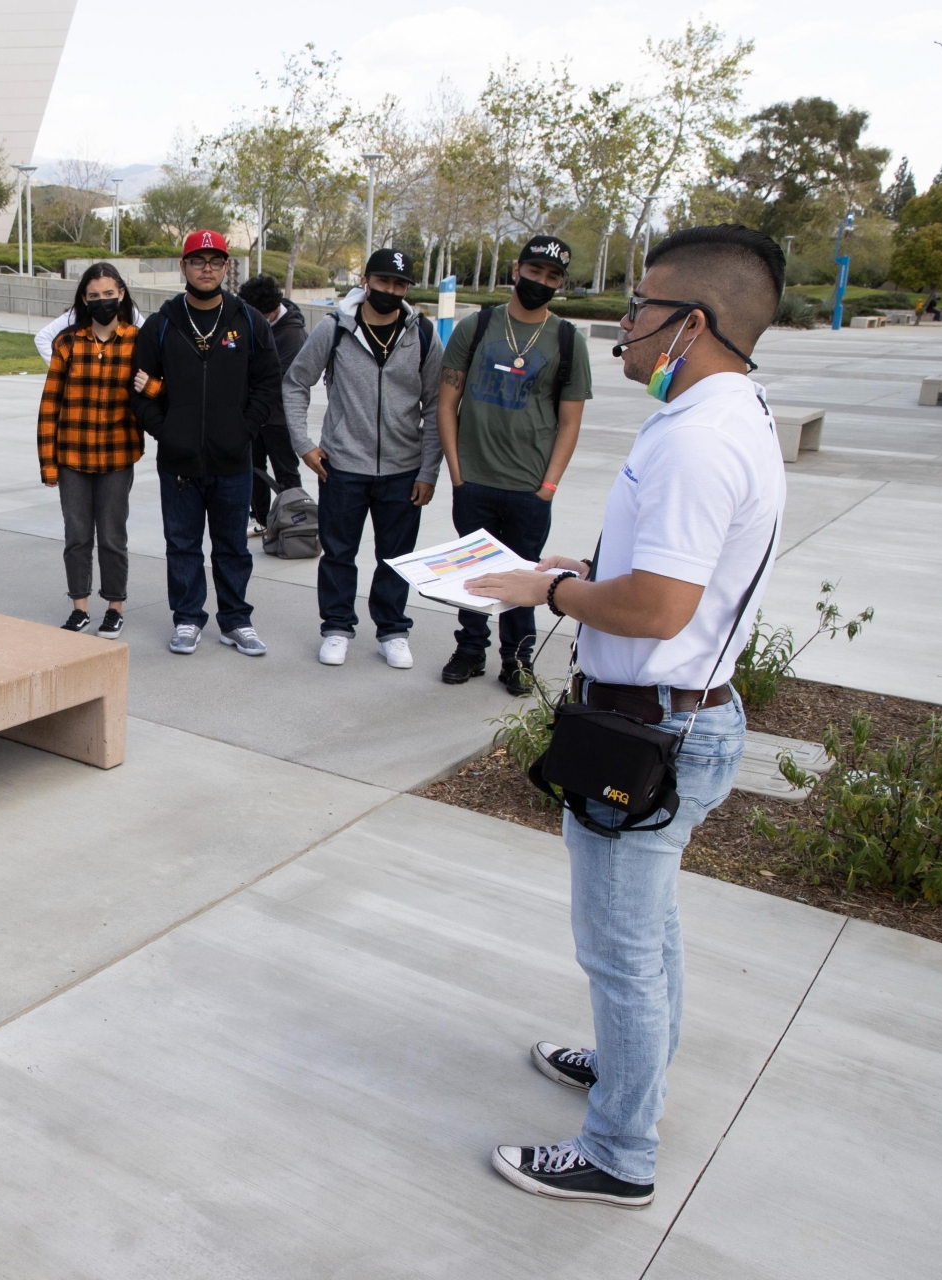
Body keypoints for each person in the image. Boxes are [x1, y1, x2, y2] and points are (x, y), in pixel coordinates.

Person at [466, 225, 789, 1210]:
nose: (624, 331)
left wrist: (547, 594)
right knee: (647, 932)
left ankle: (619, 1150)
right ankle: (629, 1066)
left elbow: (658, 608)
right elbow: (660, 580)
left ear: (694, 323)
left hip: (652, 729)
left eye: (641, 311)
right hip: (675, 713)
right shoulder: (730, 413)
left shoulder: (697, 436)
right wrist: (580, 571)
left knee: (619, 946)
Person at [436, 233, 591, 695]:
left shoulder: (567, 339)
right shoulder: (477, 326)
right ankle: (470, 650)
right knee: (474, 576)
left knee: (525, 577)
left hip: (530, 487)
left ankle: (517, 658)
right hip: (475, 481)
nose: (540, 282)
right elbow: (447, 403)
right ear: (516, 270)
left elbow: (570, 421)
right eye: (534, 271)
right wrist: (457, 473)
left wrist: (549, 486)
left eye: (552, 276)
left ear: (560, 282)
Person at [285, 248, 443, 670]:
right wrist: (304, 443)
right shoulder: (334, 329)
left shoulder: (422, 334)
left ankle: (392, 630)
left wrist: (429, 469)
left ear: (406, 289)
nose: (390, 291)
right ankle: (336, 628)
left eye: (399, 285)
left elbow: (437, 404)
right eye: (383, 282)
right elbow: (296, 382)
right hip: (342, 465)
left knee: (396, 556)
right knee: (338, 552)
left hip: (404, 468)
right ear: (365, 281)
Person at [130, 230, 282, 657]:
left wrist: (245, 428)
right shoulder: (161, 325)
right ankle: (187, 619)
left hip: (233, 460)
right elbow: (138, 391)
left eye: (216, 261)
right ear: (184, 267)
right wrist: (167, 430)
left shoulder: (247, 321)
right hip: (178, 463)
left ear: (226, 267)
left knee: (232, 546)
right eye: (198, 260)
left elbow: (269, 383)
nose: (207, 268)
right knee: (182, 545)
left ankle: (236, 620)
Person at [37, 263, 141, 637]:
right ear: (83, 298)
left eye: (108, 295)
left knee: (113, 536)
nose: (102, 302)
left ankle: (115, 606)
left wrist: (153, 387)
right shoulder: (67, 343)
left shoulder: (137, 341)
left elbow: (160, 390)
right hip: (73, 458)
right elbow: (50, 406)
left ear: (121, 294)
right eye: (94, 296)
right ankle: (79, 606)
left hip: (117, 455)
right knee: (77, 535)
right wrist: (49, 465)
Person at [235, 273, 307, 537]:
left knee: (286, 470)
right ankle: (263, 520)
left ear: (274, 309)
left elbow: (279, 378)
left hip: (279, 416)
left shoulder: (293, 334)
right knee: (254, 469)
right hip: (253, 413)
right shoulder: (248, 320)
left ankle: (296, 521)